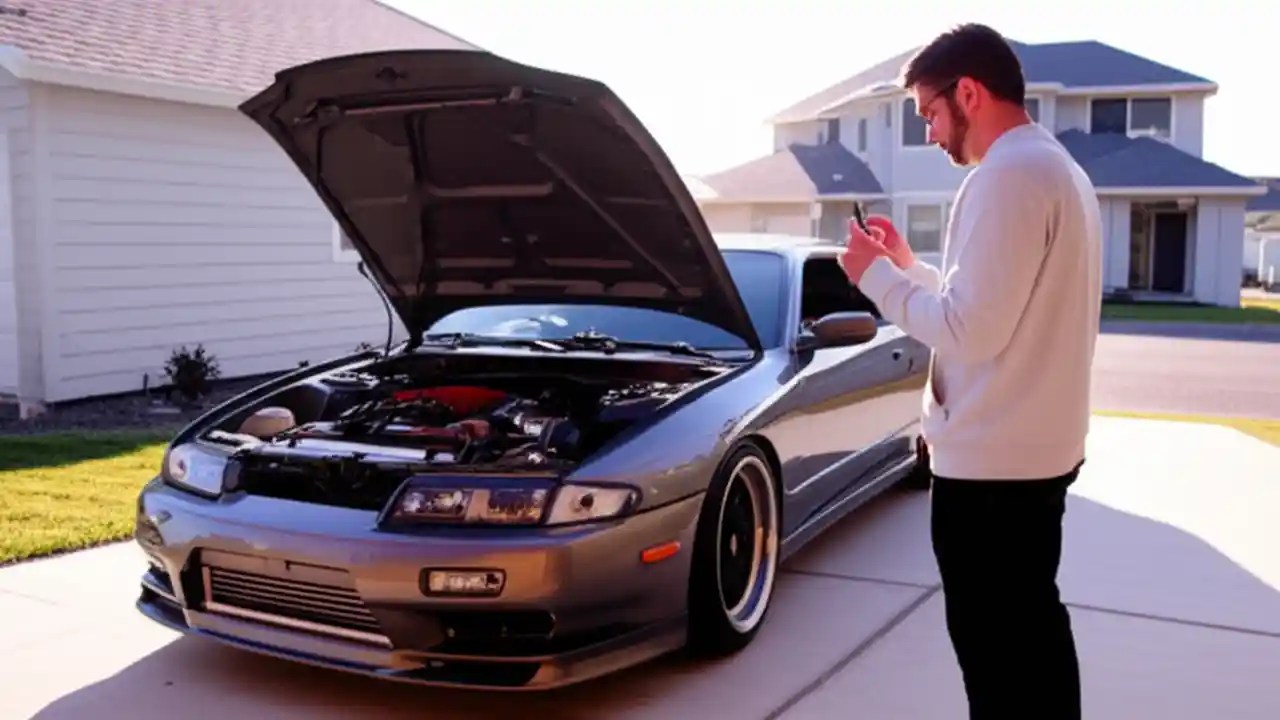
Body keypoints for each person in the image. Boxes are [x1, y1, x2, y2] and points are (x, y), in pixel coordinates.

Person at [837, 23, 1102, 720]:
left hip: (990, 477)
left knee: (996, 660)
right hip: (1033, 457)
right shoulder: (1058, 170)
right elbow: (992, 309)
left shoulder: (1006, 176)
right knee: (1035, 637)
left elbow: (968, 330)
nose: (928, 132)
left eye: (929, 111)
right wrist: (907, 269)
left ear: (970, 92)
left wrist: (874, 281)